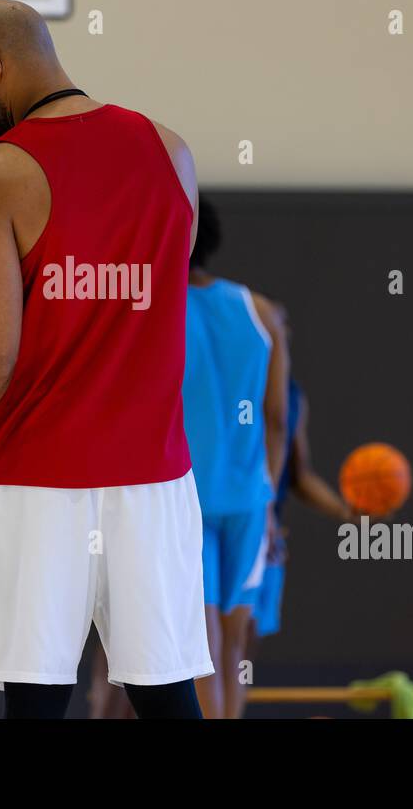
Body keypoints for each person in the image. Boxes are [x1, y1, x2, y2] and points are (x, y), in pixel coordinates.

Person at [0, 0, 210, 719]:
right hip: (156, 479)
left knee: (36, 701)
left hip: (44, 478)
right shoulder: (172, 150)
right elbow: (154, 301)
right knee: (168, 700)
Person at [180, 198, 289, 719]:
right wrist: (267, 502)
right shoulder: (261, 311)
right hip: (248, 499)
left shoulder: (154, 312)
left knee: (201, 653)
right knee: (234, 648)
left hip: (184, 499)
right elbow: (276, 419)